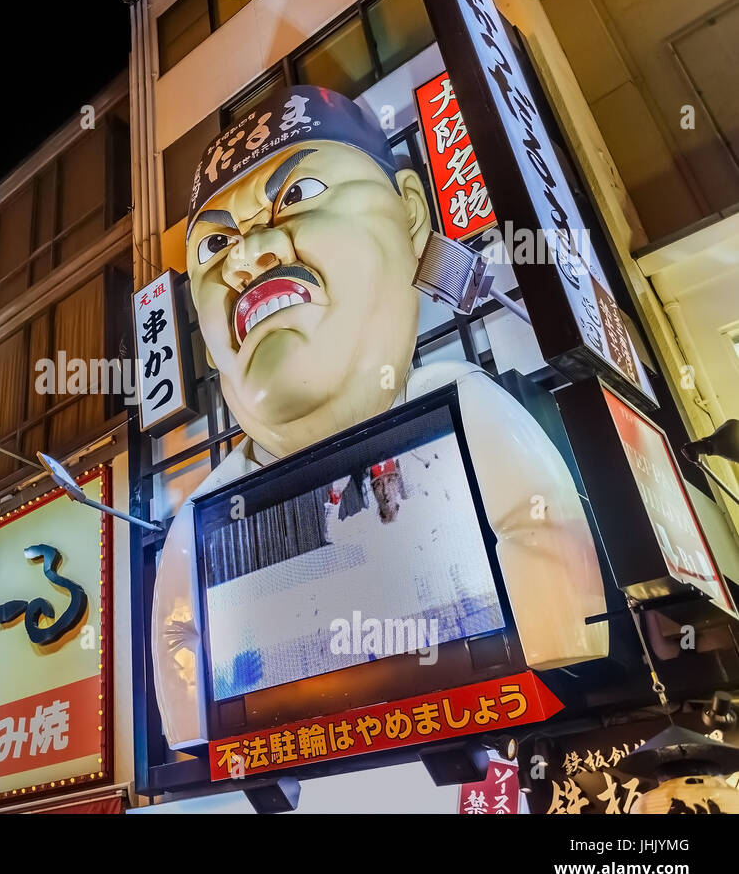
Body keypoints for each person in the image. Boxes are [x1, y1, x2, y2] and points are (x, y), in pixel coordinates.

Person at [151, 85, 609, 749]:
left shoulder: (454, 401)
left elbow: (554, 591)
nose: (248, 256)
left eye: (300, 195)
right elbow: (183, 663)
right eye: (215, 245)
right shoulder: (210, 510)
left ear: (410, 213)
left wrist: (553, 645)